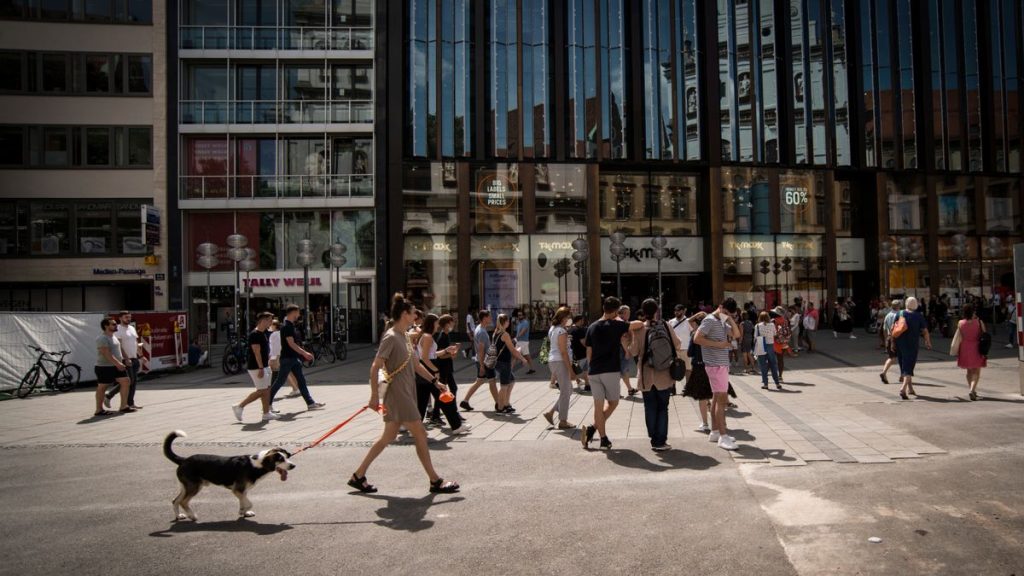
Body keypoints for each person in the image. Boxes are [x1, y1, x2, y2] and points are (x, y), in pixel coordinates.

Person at [347, 293, 459, 494]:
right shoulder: (391, 337)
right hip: (398, 395)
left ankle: (358, 475)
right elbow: (375, 367)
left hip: (406, 391)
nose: (416, 314)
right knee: (421, 433)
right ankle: (435, 480)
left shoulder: (405, 336)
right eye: (414, 312)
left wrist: (436, 382)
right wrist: (374, 396)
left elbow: (416, 364)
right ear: (405, 314)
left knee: (387, 438)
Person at [580, 296, 637, 451]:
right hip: (610, 370)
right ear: (616, 311)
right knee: (613, 402)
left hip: (594, 370)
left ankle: (603, 438)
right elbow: (635, 326)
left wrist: (590, 368)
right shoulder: (617, 325)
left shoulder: (592, 327)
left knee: (598, 406)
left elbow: (589, 351)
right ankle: (593, 429)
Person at [629, 299, 682, 451]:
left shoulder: (639, 329)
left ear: (642, 312)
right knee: (663, 408)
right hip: (665, 374)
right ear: (657, 311)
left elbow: (633, 351)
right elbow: (677, 344)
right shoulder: (665, 325)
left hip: (646, 376)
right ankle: (661, 440)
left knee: (650, 407)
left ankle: (654, 439)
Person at [693, 298, 741, 451]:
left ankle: (715, 432)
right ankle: (723, 436)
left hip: (720, 365)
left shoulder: (720, 320)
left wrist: (729, 318)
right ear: (720, 307)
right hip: (715, 365)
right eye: (726, 312)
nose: (727, 316)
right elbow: (697, 339)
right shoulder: (710, 320)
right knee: (721, 401)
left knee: (716, 399)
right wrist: (719, 344)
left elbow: (736, 334)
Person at [416, 314, 469, 433]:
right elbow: (425, 358)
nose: (437, 326)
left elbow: (432, 354)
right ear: (432, 324)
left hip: (423, 372)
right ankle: (456, 426)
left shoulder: (424, 336)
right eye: (436, 324)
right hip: (428, 370)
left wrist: (445, 350)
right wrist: (435, 370)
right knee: (445, 397)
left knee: (422, 402)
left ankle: (415, 428)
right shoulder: (428, 337)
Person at [268, 304, 325, 411]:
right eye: (298, 312)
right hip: (287, 358)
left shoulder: (290, 325)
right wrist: (304, 353)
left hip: (293, 358)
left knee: (301, 380)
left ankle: (310, 403)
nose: (299, 314)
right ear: (293, 312)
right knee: (280, 381)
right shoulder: (287, 326)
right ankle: (268, 404)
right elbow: (291, 343)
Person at [232, 312, 279, 422]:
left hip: (264, 365)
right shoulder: (255, 334)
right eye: (270, 320)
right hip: (256, 367)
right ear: (263, 320)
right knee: (262, 391)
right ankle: (239, 406)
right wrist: (261, 368)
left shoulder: (264, 333)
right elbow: (256, 352)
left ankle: (266, 413)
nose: (271, 322)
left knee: (266, 390)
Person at [542, 307, 577, 430]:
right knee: (566, 391)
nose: (569, 319)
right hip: (560, 361)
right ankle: (563, 420)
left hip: (554, 361)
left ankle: (551, 413)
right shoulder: (561, 331)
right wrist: (571, 370)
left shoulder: (554, 329)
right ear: (563, 318)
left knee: (567, 390)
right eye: (568, 317)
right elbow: (563, 352)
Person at [894, 297, 932, 400]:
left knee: (904, 365)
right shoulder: (918, 316)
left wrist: (892, 343)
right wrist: (927, 341)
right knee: (909, 367)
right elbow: (925, 331)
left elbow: (894, 328)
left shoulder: (899, 314)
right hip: (912, 344)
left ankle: (910, 389)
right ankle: (903, 389)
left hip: (900, 343)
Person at [104, 311, 143, 410]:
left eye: (129, 317)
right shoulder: (118, 329)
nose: (128, 319)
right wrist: (126, 358)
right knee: (128, 381)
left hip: (134, 358)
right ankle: (109, 395)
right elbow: (119, 346)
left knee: (133, 382)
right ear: (120, 318)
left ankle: (130, 403)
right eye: (126, 317)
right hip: (125, 359)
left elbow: (135, 342)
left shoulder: (132, 328)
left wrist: (141, 356)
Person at [94, 317, 132, 416]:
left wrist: (126, 359)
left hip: (116, 365)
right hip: (104, 367)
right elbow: (106, 354)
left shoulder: (113, 337)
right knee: (102, 387)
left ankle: (124, 406)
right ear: (106, 326)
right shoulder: (102, 338)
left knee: (126, 381)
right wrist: (118, 364)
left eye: (115, 324)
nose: (116, 325)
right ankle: (99, 410)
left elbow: (119, 351)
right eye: (113, 324)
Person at [460, 310, 497, 411]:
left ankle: (465, 401)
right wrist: (481, 365)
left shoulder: (480, 329)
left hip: (482, 360)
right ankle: (499, 405)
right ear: (484, 318)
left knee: (479, 381)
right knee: (492, 381)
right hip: (485, 361)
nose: (491, 318)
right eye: (489, 317)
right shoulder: (482, 332)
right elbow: (481, 350)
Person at [681, 311, 712, 433]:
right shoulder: (712, 333)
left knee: (702, 396)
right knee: (714, 393)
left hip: (699, 365)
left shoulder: (695, 334)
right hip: (713, 365)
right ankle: (717, 421)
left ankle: (705, 423)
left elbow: (689, 353)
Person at [492, 313, 527, 414]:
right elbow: (513, 350)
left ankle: (506, 404)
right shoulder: (505, 334)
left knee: (511, 381)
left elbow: (503, 347)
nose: (509, 323)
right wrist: (523, 359)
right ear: (505, 322)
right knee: (504, 385)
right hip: (504, 363)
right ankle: (500, 407)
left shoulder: (496, 332)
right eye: (508, 321)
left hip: (498, 362)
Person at [432, 315, 462, 422]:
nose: (453, 324)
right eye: (452, 322)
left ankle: (437, 415)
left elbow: (447, 353)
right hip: (443, 368)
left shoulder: (446, 335)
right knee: (446, 390)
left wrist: (453, 352)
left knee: (449, 389)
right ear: (446, 324)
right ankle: (439, 415)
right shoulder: (442, 337)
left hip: (447, 367)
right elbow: (440, 355)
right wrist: (451, 354)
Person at [954, 304, 986, 401]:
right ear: (973, 312)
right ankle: (972, 390)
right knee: (977, 370)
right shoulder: (979, 322)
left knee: (969, 371)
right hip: (976, 347)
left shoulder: (960, 323)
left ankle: (971, 389)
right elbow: (984, 333)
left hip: (964, 347)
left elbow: (960, 334)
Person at [268, 319, 301, 400]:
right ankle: (295, 388)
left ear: (275, 326)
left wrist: (272, 357)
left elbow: (275, 347)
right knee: (287, 373)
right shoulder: (280, 333)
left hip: (277, 355)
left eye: (271, 325)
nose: (269, 326)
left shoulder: (274, 335)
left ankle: (270, 392)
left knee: (279, 374)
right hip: (282, 354)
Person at [753, 311, 782, 390]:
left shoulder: (757, 326)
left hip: (761, 346)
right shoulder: (772, 324)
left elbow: (755, 337)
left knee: (763, 365)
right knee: (773, 364)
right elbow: (774, 334)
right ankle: (777, 383)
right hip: (770, 346)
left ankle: (765, 384)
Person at [879, 299, 903, 384]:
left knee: (891, 357)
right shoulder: (900, 314)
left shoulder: (888, 315)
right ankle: (902, 375)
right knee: (902, 357)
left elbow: (884, 329)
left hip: (889, 338)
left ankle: (884, 372)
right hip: (898, 338)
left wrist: (886, 340)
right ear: (899, 306)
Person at [669, 304, 693, 387]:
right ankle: (672, 387)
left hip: (686, 349)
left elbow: (693, 333)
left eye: (679, 310)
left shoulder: (689, 321)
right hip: (674, 349)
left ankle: (688, 387)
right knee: (673, 368)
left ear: (683, 311)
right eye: (675, 310)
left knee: (688, 368)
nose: (676, 312)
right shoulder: (671, 322)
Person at [618, 305, 638, 396]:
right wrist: (627, 351)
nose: (629, 314)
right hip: (622, 350)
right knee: (623, 370)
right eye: (627, 313)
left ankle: (629, 389)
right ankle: (622, 391)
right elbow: (623, 339)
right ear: (622, 314)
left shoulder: (619, 322)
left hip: (620, 349)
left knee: (622, 370)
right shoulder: (622, 323)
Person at [568, 315, 590, 390]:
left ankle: (587, 384)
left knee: (581, 370)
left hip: (573, 354)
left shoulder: (569, 330)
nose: (583, 322)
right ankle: (562, 383)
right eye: (582, 320)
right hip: (581, 354)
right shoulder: (579, 330)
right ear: (580, 320)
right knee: (582, 370)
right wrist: (589, 348)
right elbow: (583, 342)